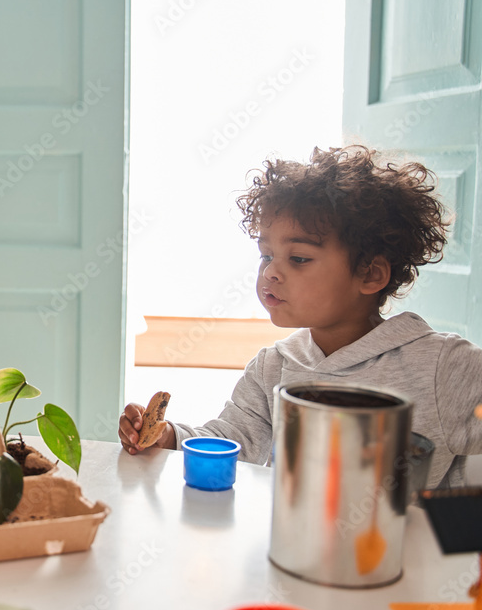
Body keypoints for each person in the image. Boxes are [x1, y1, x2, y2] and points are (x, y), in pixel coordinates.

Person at [118, 146, 482, 488]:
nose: (271, 273)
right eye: (266, 255)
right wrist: (166, 438)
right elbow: (232, 442)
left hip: (400, 554)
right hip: (294, 549)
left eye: (299, 259)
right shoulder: (273, 367)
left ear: (370, 275)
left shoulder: (442, 366)